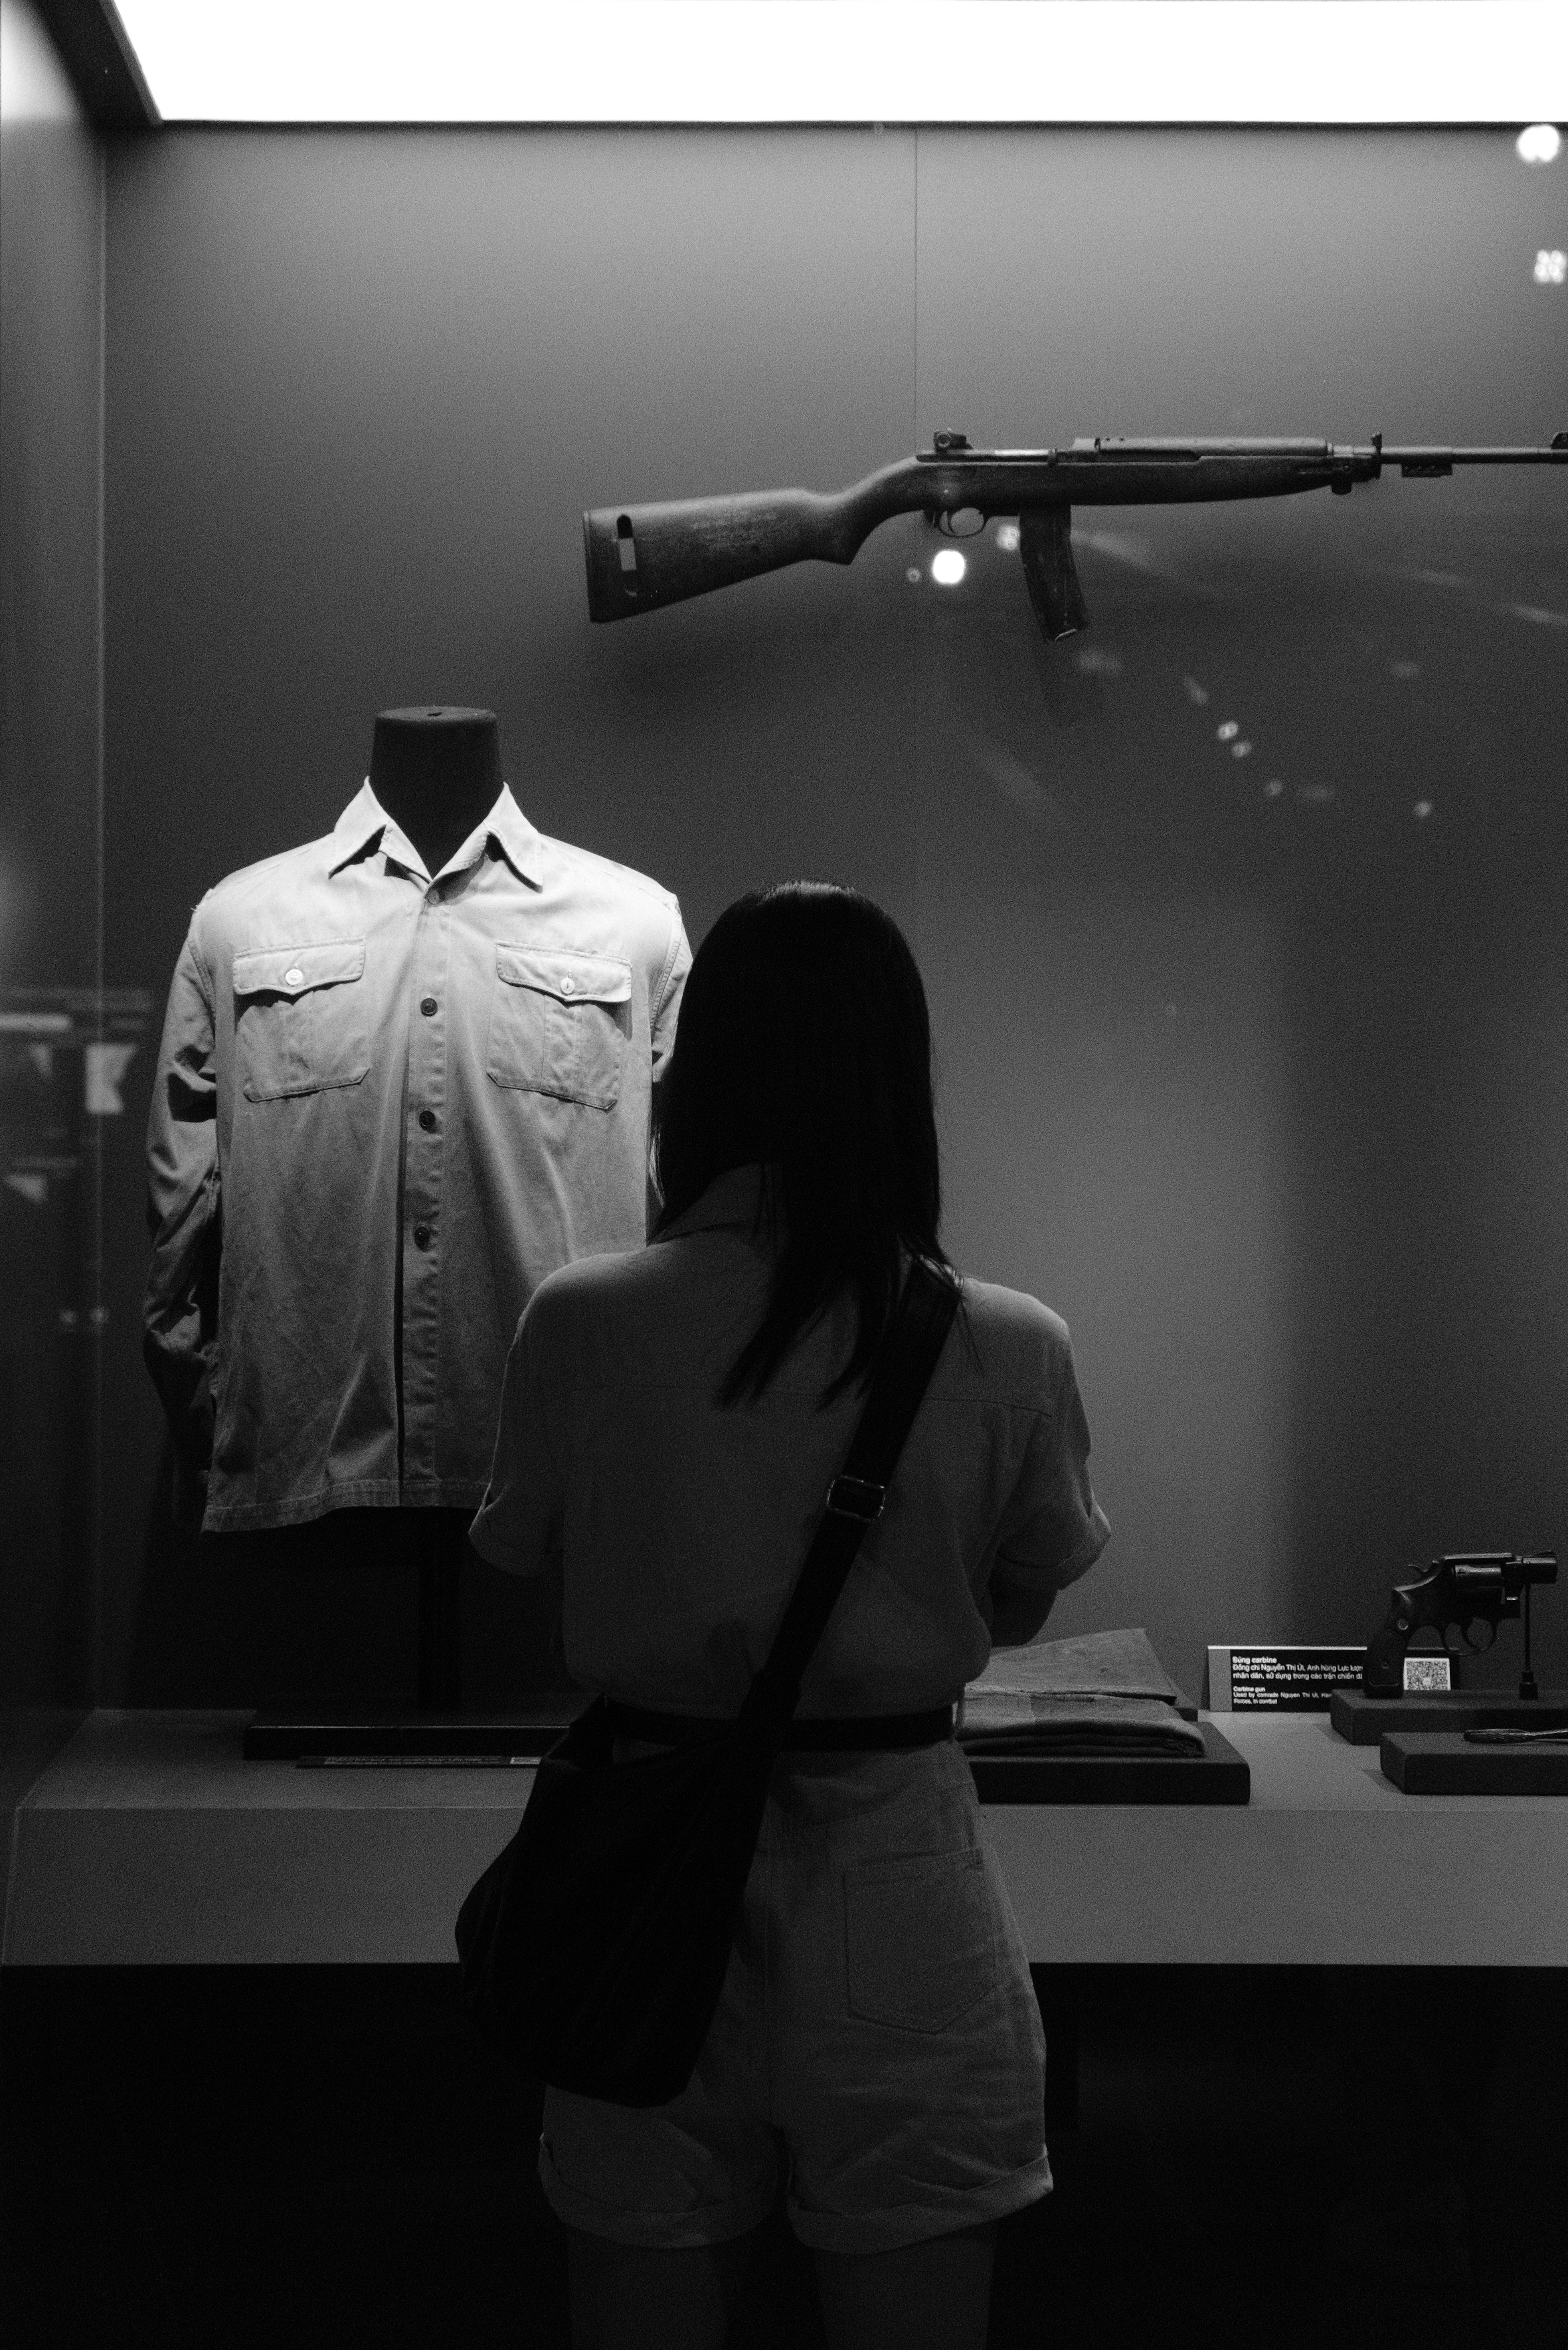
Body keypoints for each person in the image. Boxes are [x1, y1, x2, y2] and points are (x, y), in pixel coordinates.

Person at [469, 882, 1111, 2350]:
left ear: (698, 1069)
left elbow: (521, 1553)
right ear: (899, 1076)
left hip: (640, 1854)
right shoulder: (1009, 1341)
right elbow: (1021, 1597)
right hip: (898, 1859)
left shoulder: (584, 1319)